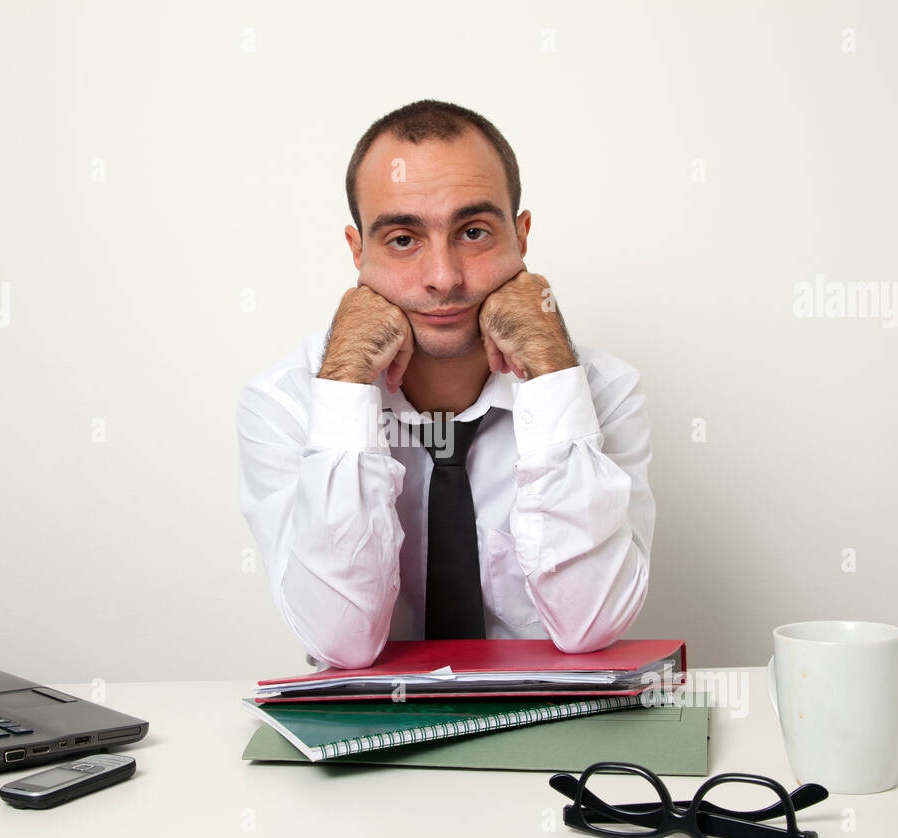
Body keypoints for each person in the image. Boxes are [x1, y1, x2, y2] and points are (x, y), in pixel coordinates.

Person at [237, 99, 654, 670]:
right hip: (373, 745)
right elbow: (340, 644)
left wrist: (553, 373)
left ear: (522, 235)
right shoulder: (285, 402)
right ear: (357, 252)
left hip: (546, 736)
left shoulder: (603, 392)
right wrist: (346, 384)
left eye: (474, 232)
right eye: (403, 239)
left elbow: (591, 627)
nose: (444, 279)